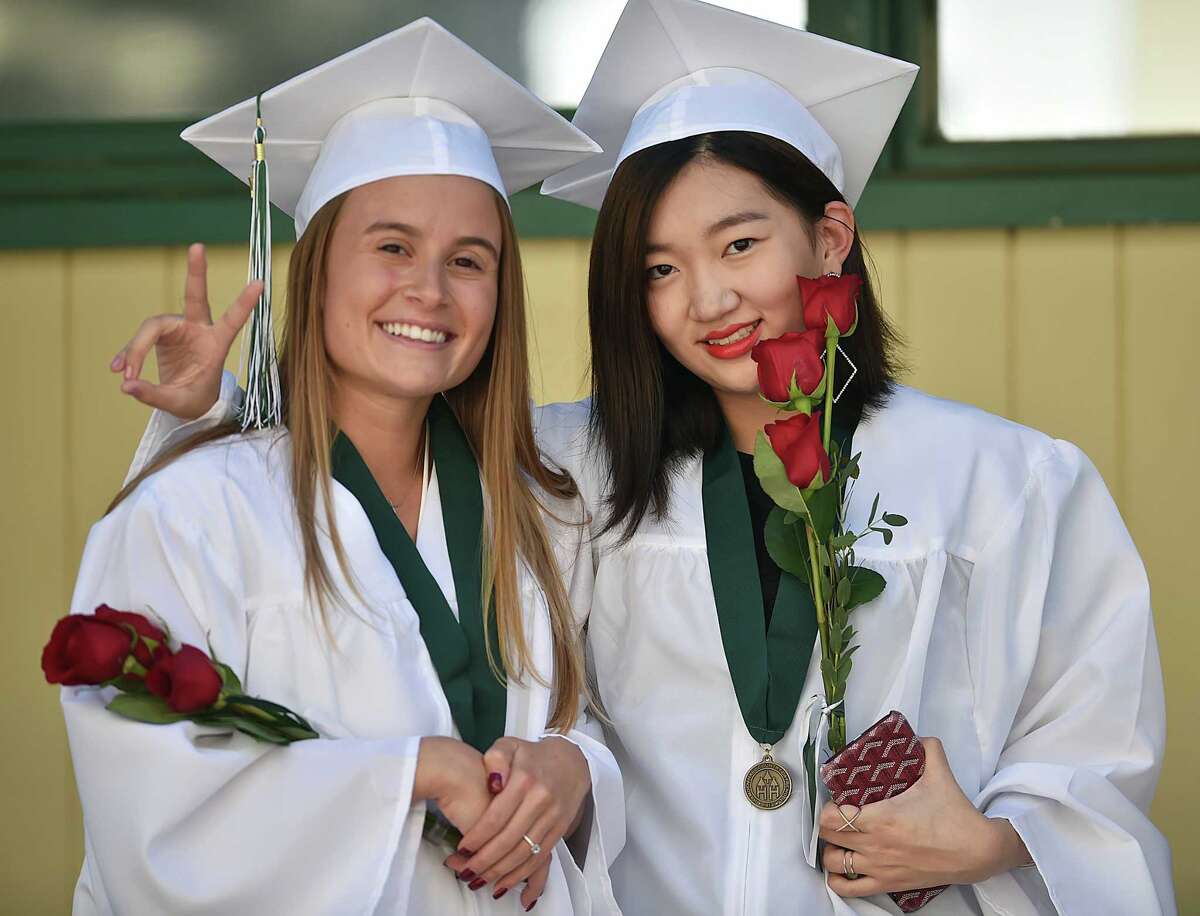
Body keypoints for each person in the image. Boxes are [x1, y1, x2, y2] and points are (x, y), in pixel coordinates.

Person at [117, 2, 1174, 914]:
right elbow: (353, 468)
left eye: (740, 244)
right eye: (660, 267)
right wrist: (209, 412)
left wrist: (993, 840)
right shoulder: (569, 467)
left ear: (833, 240)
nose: (706, 300)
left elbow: (1094, 736)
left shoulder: (1009, 480)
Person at [63, 19, 622, 915]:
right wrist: (411, 772)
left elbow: (585, 717)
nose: (429, 290)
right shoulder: (195, 513)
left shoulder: (540, 506)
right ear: (318, 268)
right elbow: (151, 805)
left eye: (468, 262)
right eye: (392, 246)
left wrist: (575, 767)